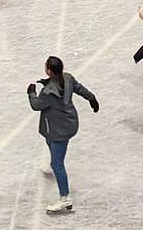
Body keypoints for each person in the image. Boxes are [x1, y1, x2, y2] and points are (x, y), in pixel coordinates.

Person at [27, 55, 99, 213]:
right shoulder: (67, 78)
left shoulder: (48, 92)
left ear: (49, 71)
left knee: (57, 163)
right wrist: (91, 98)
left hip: (60, 129)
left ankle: (65, 198)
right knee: (49, 141)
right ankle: (53, 166)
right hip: (60, 124)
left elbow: (36, 105)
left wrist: (31, 93)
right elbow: (79, 88)